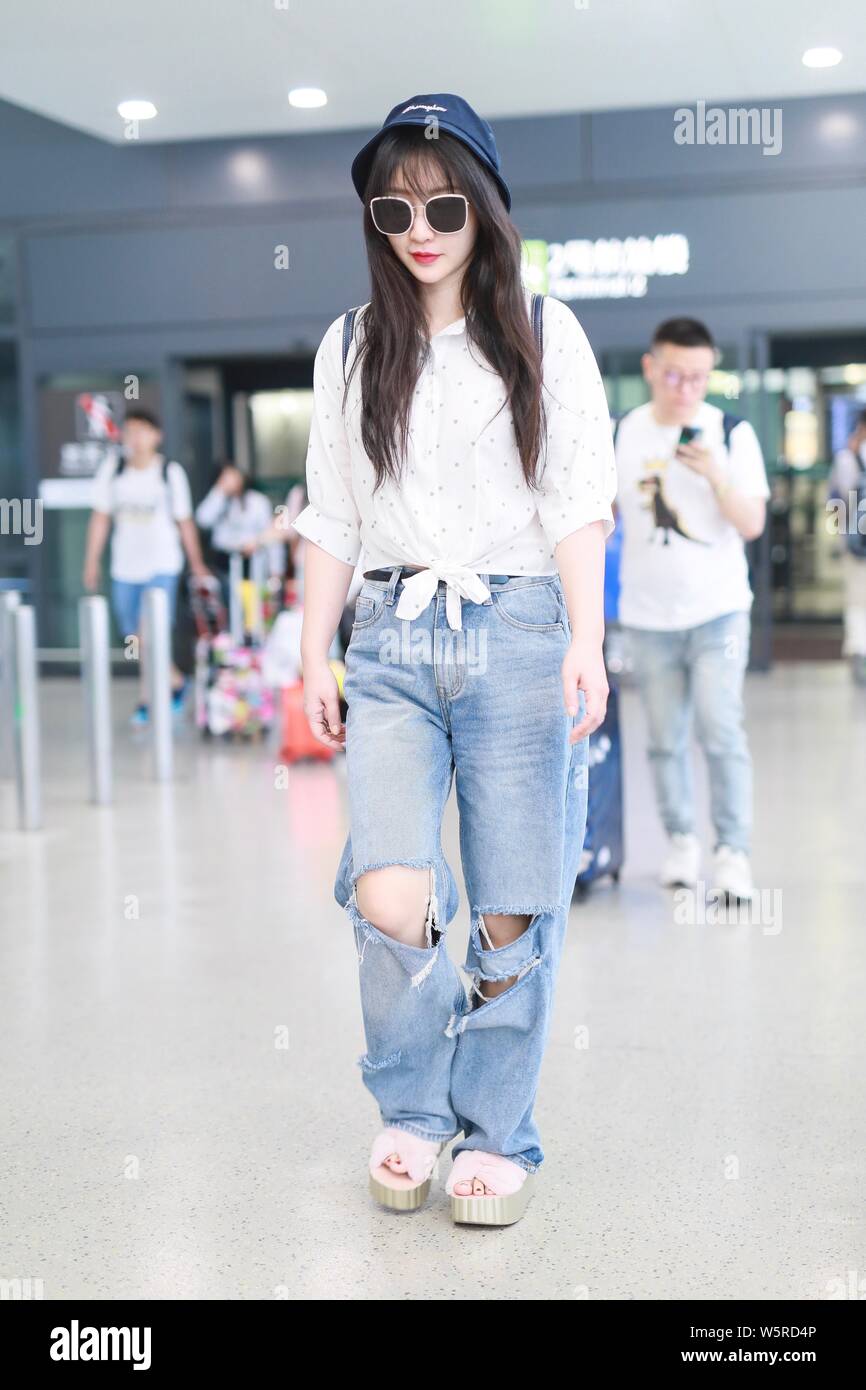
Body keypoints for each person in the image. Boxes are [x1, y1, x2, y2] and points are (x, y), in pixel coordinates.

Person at [292, 92, 616, 1225]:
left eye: (438, 203)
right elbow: (331, 511)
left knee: (511, 906)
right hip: (388, 633)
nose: (417, 227)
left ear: (480, 202)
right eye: (392, 208)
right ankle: (413, 1109)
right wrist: (310, 652)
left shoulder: (544, 327)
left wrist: (585, 638)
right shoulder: (349, 343)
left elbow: (578, 497)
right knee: (390, 891)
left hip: (519, 623)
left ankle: (495, 1130)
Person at [613, 318, 769, 902]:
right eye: (675, 375)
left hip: (719, 613)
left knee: (720, 727)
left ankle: (733, 853)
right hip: (648, 617)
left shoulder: (732, 432)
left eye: (699, 378)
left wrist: (716, 474)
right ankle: (682, 840)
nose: (685, 390)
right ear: (652, 367)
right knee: (662, 737)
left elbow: (751, 523)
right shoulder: (625, 432)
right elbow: (605, 513)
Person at [83, 407, 210, 725]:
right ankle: (176, 682)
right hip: (124, 568)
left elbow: (185, 522)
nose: (136, 438)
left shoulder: (169, 472)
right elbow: (100, 518)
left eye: (143, 430)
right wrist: (91, 562)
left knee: (147, 633)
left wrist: (196, 564)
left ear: (157, 436)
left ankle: (147, 699)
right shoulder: (113, 470)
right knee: (135, 637)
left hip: (162, 564)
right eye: (130, 431)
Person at [195, 461, 281, 603]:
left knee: (253, 608)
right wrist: (220, 491)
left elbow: (271, 536)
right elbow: (202, 519)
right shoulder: (219, 499)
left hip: (252, 563)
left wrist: (275, 571)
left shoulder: (257, 502)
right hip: (224, 563)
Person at [828, 409, 866, 684]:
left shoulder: (845, 459)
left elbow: (836, 503)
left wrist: (842, 537)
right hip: (856, 546)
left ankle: (859, 655)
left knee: (857, 602)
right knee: (857, 601)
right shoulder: (848, 459)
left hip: (855, 544)